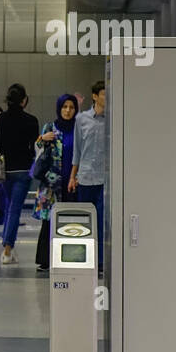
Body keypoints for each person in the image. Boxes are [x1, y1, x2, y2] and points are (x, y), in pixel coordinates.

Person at [33, 94, 79, 272]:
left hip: (73, 182)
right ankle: (45, 260)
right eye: (64, 107)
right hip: (51, 184)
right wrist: (42, 139)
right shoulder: (50, 127)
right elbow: (36, 147)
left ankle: (71, 256)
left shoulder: (78, 128)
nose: (68, 111)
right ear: (59, 108)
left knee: (72, 221)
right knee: (48, 222)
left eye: (71, 107)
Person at [0, 83, 39, 265]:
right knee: (14, 210)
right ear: (24, 100)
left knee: (9, 208)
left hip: (3, 169)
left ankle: (8, 248)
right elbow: (35, 146)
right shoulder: (31, 120)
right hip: (23, 170)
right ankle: (7, 249)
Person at [68, 80, 107, 261]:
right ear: (95, 96)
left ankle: (99, 262)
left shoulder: (113, 119)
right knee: (85, 221)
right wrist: (72, 176)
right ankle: (85, 258)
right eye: (104, 94)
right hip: (85, 177)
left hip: (104, 180)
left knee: (101, 222)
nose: (107, 98)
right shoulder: (81, 119)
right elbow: (78, 149)